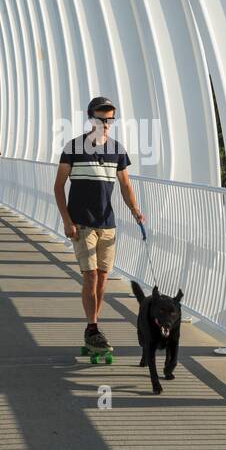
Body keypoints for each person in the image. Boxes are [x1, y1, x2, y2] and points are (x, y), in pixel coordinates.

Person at [53, 96, 145, 354]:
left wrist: (135, 209)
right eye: (101, 119)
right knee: (90, 275)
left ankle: (93, 327)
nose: (106, 123)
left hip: (108, 224)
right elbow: (59, 187)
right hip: (82, 223)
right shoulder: (73, 148)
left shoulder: (117, 150)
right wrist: (67, 220)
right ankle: (92, 328)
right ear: (90, 118)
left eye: (110, 119)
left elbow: (126, 185)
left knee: (103, 278)